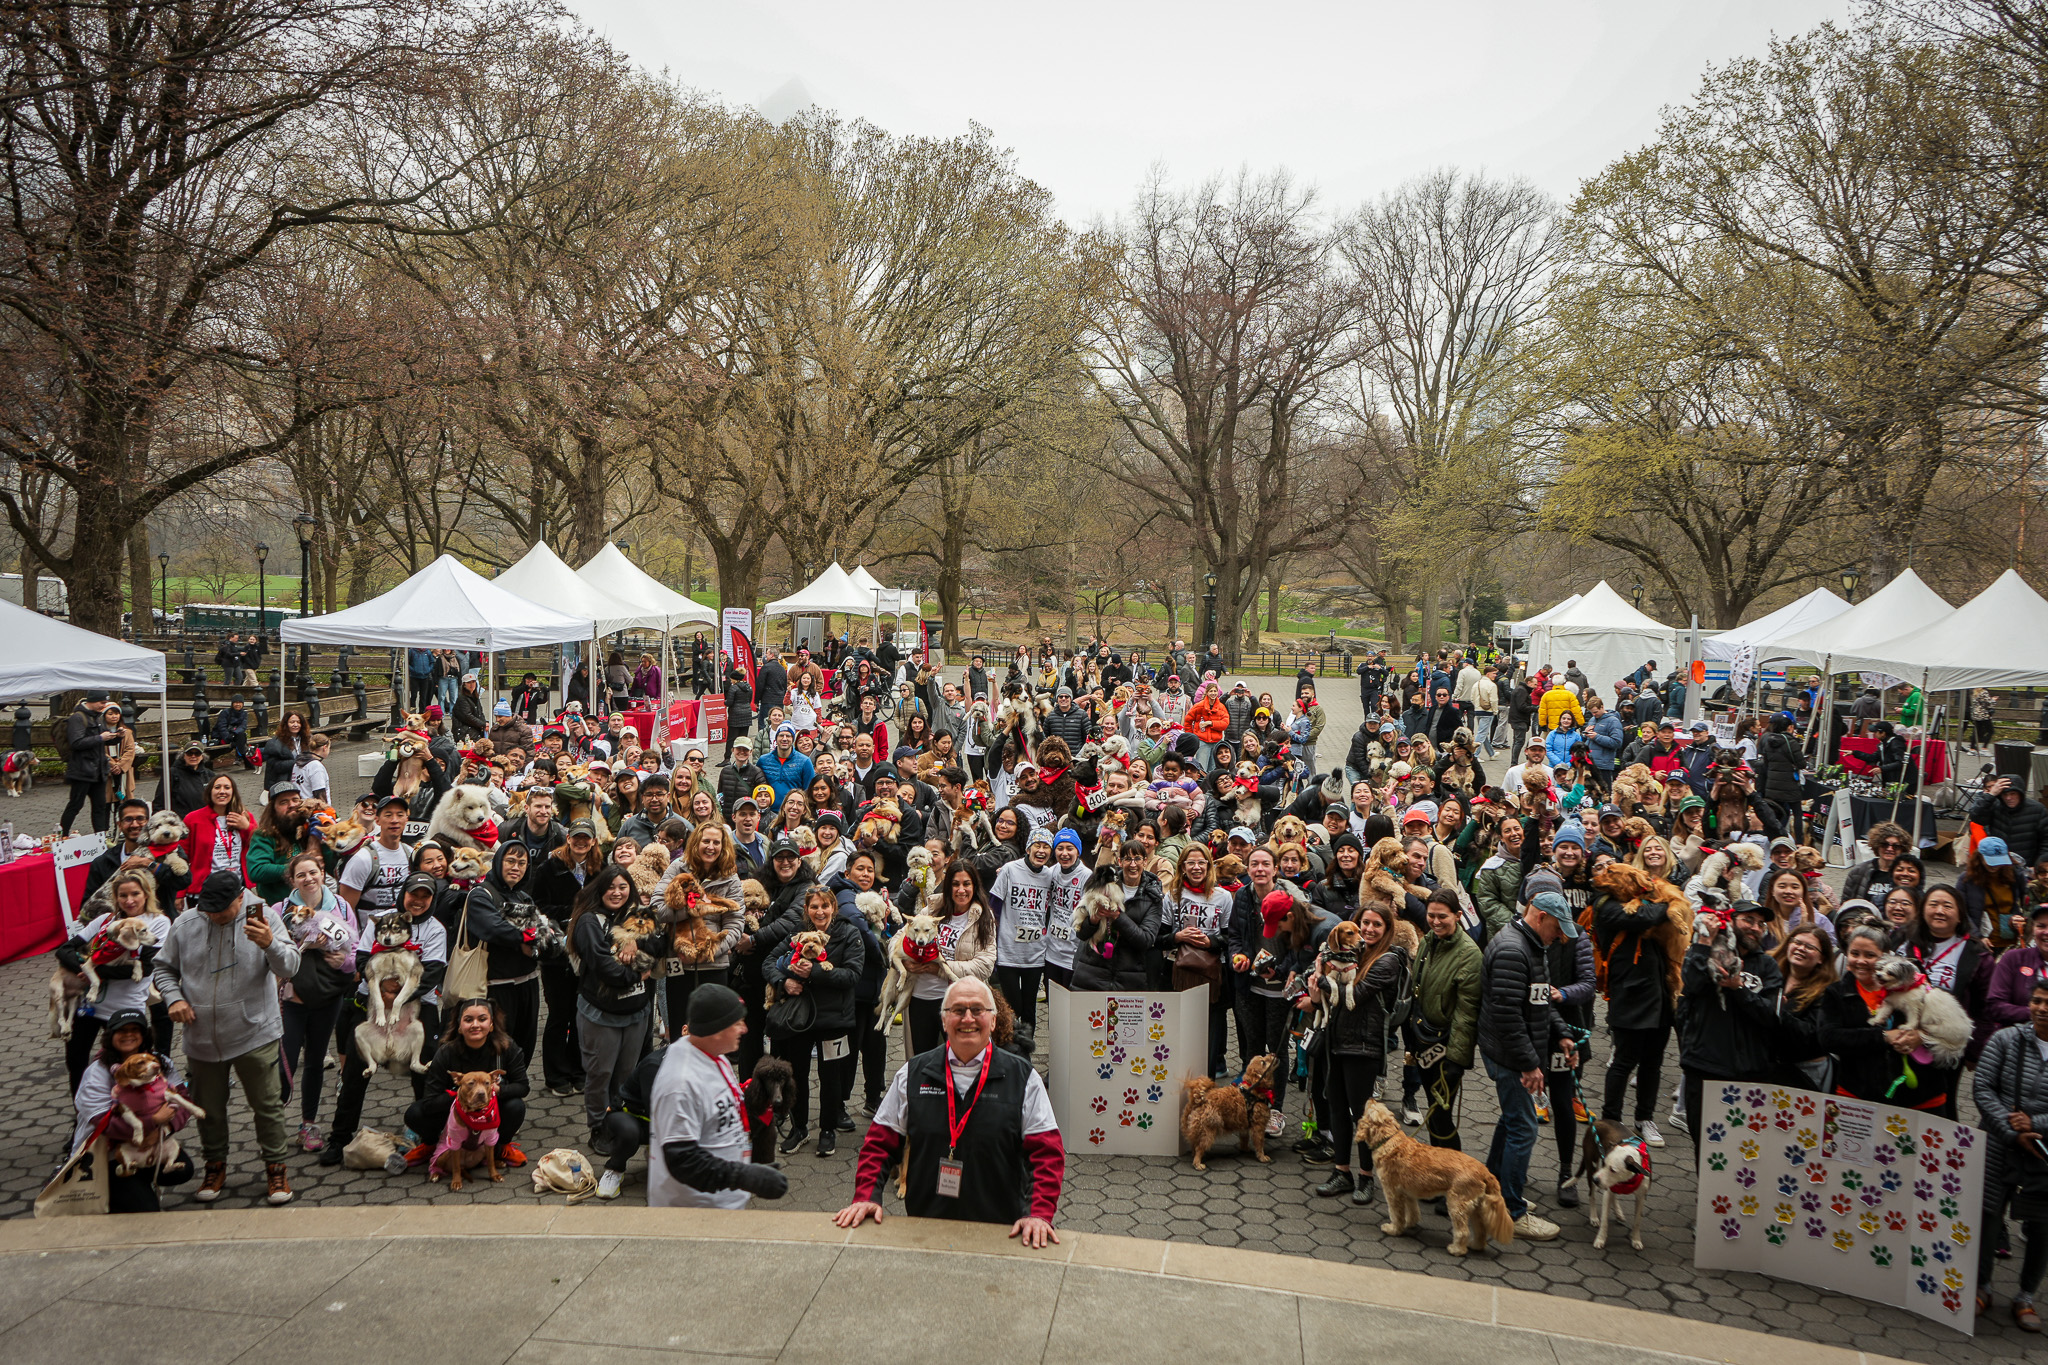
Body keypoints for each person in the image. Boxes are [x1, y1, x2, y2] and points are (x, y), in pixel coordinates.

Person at [835, 978, 1064, 1246]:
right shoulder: (912, 1073)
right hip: (925, 1226)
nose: (968, 1018)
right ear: (944, 1021)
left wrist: (1038, 1214)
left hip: (1003, 1231)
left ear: (993, 1020)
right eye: (957, 1010)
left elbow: (1047, 1154)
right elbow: (879, 1144)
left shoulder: (1024, 1077)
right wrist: (866, 1196)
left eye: (978, 1010)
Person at [153, 869, 301, 1204]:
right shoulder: (187, 923)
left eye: (222, 909)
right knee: (208, 1108)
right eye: (208, 909)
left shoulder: (264, 917)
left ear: (240, 898)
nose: (214, 915)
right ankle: (214, 1165)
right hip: (202, 1036)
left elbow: (290, 966)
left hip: (255, 1031)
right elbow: (163, 968)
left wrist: (270, 943)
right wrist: (173, 998)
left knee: (267, 1106)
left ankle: (276, 1168)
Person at [1477, 884, 1579, 1242]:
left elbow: (1539, 1000)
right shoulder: (1512, 950)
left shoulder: (1533, 945)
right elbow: (1507, 1017)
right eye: (1558, 928)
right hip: (1509, 1057)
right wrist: (1528, 1065)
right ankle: (1511, 1209)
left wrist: (1562, 1032)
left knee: (1511, 1121)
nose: (1560, 937)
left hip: (1514, 1054)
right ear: (1541, 916)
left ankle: (1492, 1190)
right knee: (1524, 1128)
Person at [646, 982, 790, 1208]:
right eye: (737, 1023)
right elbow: (682, 1160)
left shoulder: (714, 1053)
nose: (745, 1029)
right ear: (716, 1030)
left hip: (719, 1203)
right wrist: (743, 1176)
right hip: (692, 1213)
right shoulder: (681, 1084)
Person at [1311, 902, 1413, 1206]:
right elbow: (1328, 993)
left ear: (1387, 929)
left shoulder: (1389, 960)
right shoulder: (1353, 952)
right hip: (1337, 1040)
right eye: (1364, 923)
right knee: (1338, 1109)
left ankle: (1367, 1177)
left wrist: (1319, 976)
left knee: (1363, 1116)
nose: (1368, 929)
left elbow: (1356, 993)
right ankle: (1342, 1172)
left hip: (1365, 1046)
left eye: (1376, 925)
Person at [761, 884, 866, 1156]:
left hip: (834, 1019)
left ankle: (828, 1129)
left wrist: (814, 974)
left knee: (831, 1077)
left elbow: (852, 976)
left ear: (834, 907)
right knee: (796, 1075)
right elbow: (768, 963)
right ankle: (799, 1129)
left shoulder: (848, 933)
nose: (820, 911)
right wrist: (783, 982)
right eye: (814, 907)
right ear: (807, 910)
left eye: (825, 906)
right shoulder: (798, 934)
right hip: (799, 1018)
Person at [68, 1007, 197, 1211]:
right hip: (108, 1151)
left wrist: (164, 1130)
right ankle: (117, 1190)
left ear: (143, 1035)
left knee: (182, 1171)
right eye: (122, 1031)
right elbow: (105, 1124)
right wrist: (152, 1122)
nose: (129, 1034)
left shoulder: (158, 1062)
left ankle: (142, 1181)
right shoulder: (97, 1073)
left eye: (134, 1030)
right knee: (147, 1210)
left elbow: (183, 1099)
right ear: (110, 1037)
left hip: (151, 1141)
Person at [570, 866, 661, 1150]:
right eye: (611, 886)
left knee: (626, 1074)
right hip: (601, 1014)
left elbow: (659, 946)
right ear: (600, 889)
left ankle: (619, 1124)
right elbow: (603, 967)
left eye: (623, 887)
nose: (617, 892)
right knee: (600, 1075)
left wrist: (635, 941)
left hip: (636, 1013)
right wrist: (635, 974)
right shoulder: (588, 921)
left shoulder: (640, 915)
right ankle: (598, 1127)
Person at [1822, 924, 1958, 1115]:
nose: (1861, 961)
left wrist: (1921, 1036)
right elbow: (1829, 1038)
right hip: (1857, 1096)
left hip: (1921, 1098)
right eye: (1854, 953)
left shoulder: (1915, 984)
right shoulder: (1836, 992)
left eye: (1870, 955)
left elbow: (1946, 1025)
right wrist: (1883, 1036)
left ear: (1886, 956)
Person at [1974, 978, 2048, 1330]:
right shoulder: (2006, 1039)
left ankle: (2025, 1297)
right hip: (1998, 1144)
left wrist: (2035, 1123)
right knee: (1987, 1215)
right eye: (2036, 1000)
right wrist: (2010, 1127)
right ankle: (1981, 1286)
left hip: (2043, 1151)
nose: (2042, 1009)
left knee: (2043, 1226)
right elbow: (1982, 1086)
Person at [275, 850, 357, 1152]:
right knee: (285, 1061)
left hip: (327, 994)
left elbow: (354, 948)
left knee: (314, 1062)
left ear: (323, 873)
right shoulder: (281, 909)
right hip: (291, 997)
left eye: (314, 872)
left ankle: (308, 1124)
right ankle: (273, 1121)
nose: (309, 879)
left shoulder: (340, 907)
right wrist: (301, 945)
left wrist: (341, 961)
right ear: (292, 880)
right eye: (301, 875)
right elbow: (267, 951)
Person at [407, 997, 530, 1171]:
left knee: (516, 1106)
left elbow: (523, 1086)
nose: (475, 1025)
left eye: (482, 1019)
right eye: (468, 1020)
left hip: (491, 1112)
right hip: (455, 1114)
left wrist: (497, 1090)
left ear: (492, 1024)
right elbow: (429, 1101)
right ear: (459, 1026)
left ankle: (501, 1147)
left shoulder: (507, 1047)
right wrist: (461, 1097)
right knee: (415, 1113)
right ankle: (430, 1145)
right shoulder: (446, 1052)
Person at [1412, 889, 1481, 1150]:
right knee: (1433, 1111)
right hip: (1424, 1041)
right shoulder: (1428, 941)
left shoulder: (1470, 955)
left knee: (1440, 1116)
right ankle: (1439, 1174)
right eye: (1431, 916)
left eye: (1443, 916)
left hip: (1445, 1048)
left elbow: (1467, 1013)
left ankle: (1452, 1176)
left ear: (1458, 915)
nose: (1436, 921)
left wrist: (1456, 1061)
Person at [61, 689, 123, 834]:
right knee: (75, 805)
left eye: (106, 702)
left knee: (100, 806)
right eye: (102, 702)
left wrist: (117, 737)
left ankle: (100, 838)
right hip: (82, 771)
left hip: (98, 771)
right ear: (92, 701)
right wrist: (100, 738)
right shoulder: (78, 717)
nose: (104, 705)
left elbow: (102, 742)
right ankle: (62, 835)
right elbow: (76, 743)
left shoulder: (98, 717)